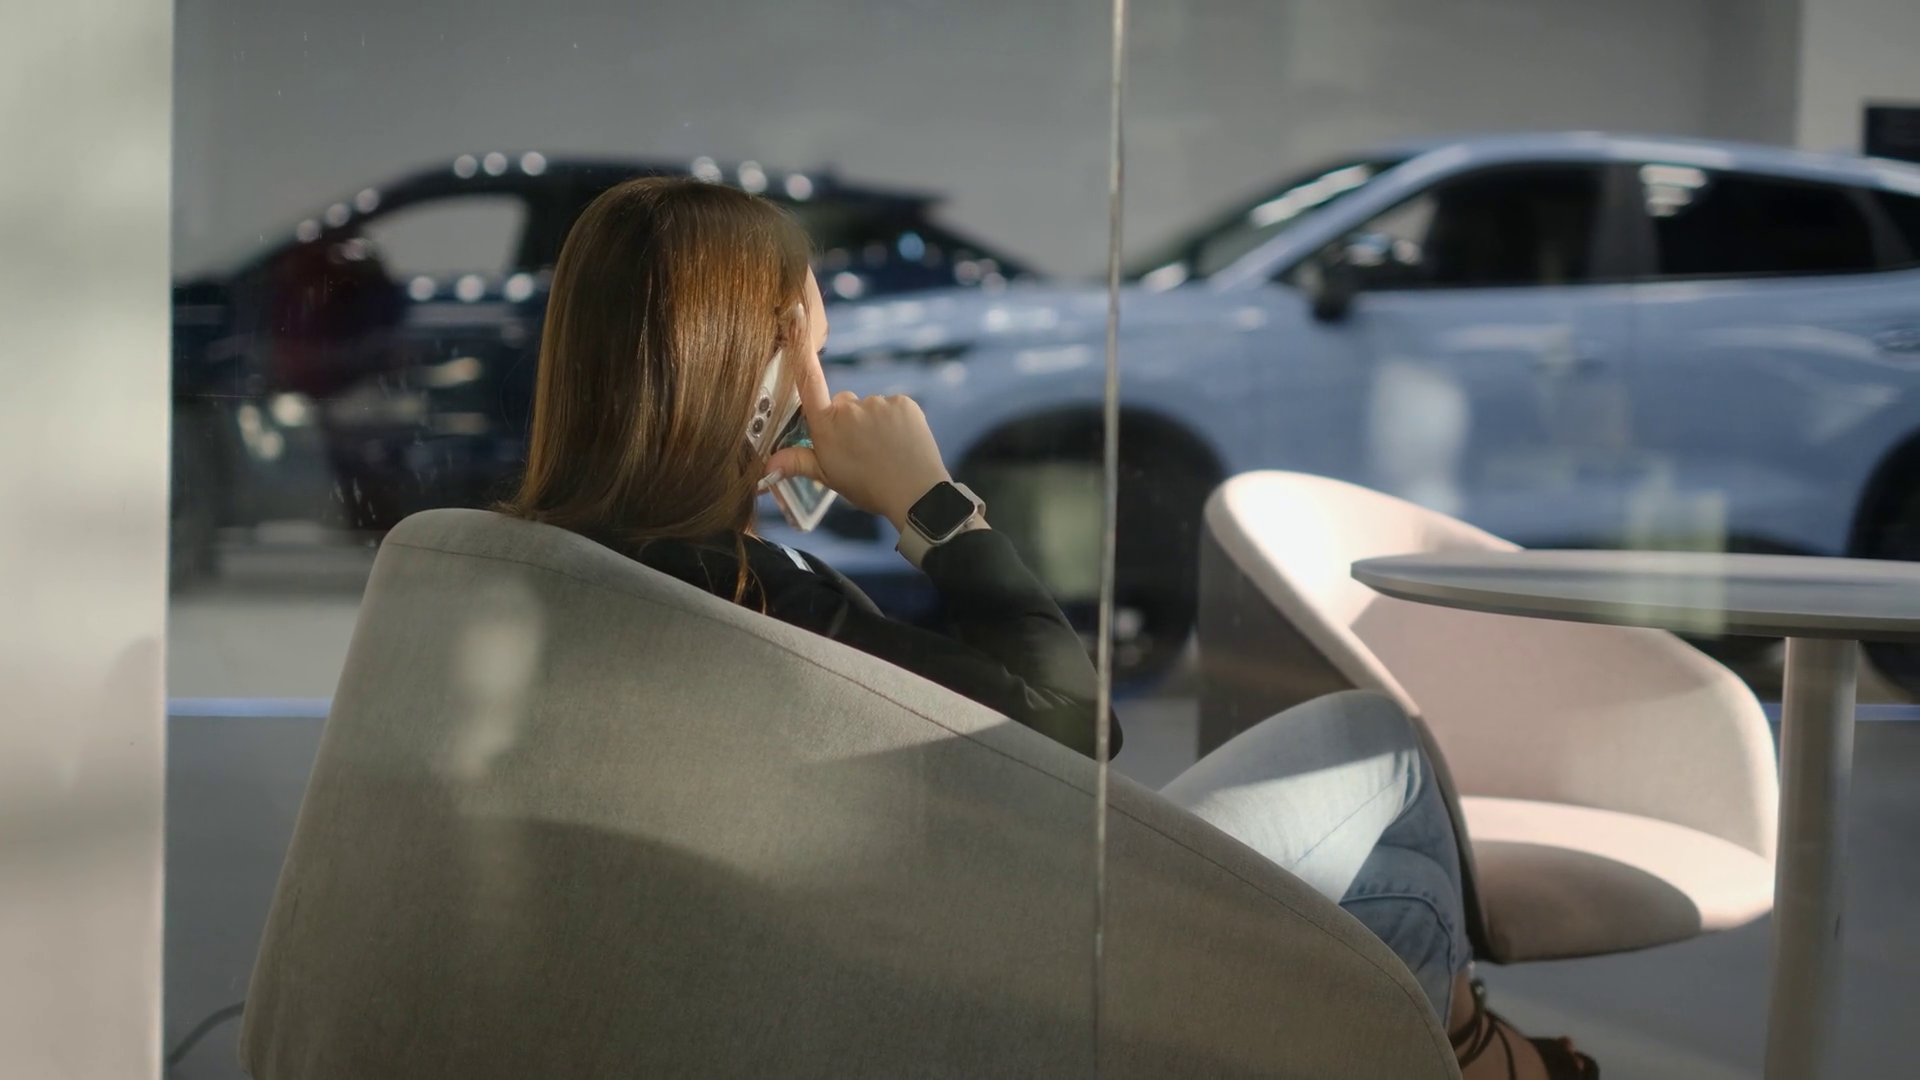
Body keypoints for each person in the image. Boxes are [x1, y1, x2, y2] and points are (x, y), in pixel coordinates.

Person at [502, 176, 1595, 1079]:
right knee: (1383, 760)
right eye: (813, 349)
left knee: (1393, 895)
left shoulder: (543, 569)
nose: (825, 385)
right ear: (762, 376)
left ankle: (1471, 1045)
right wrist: (929, 502)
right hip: (1016, 966)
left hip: (870, 937)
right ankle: (1487, 1054)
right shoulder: (760, 599)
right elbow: (1076, 729)